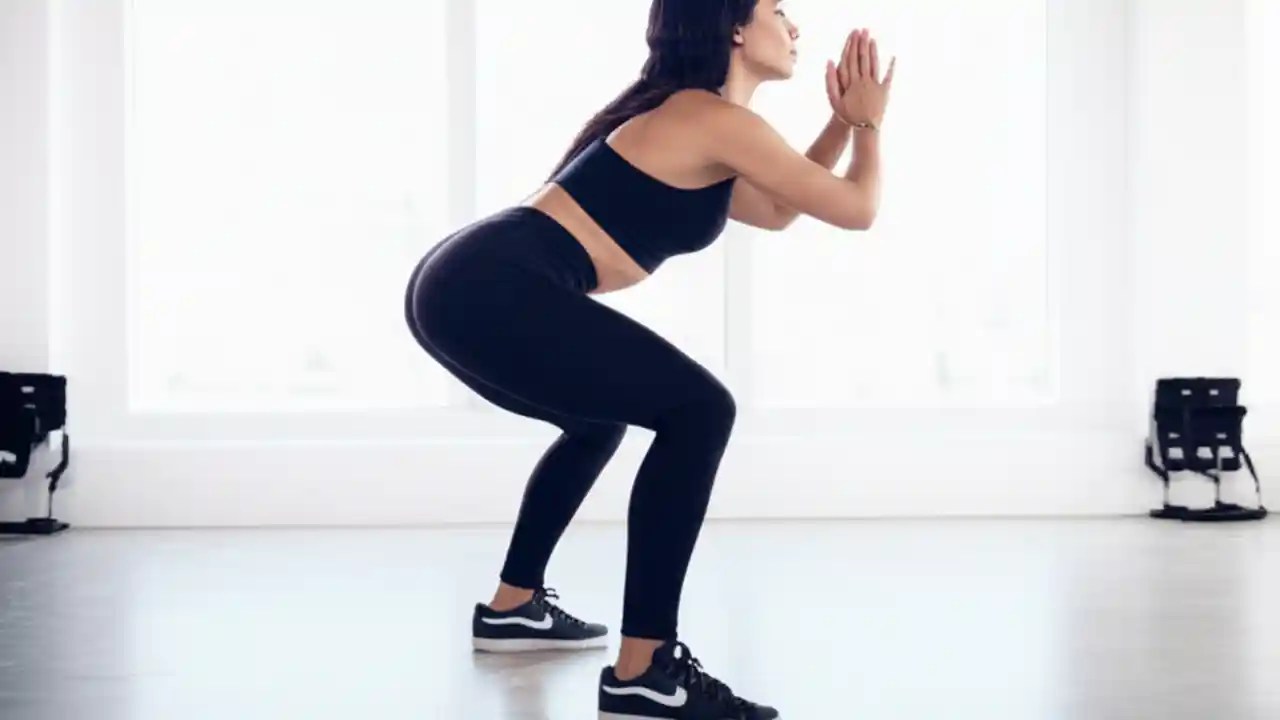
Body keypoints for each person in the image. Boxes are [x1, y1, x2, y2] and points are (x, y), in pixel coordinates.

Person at [403, 0, 894, 717]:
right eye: (778, 10)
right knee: (701, 410)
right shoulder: (710, 118)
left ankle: (515, 608)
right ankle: (644, 671)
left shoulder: (705, 124)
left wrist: (843, 122)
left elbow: (786, 205)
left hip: (464, 282)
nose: (794, 28)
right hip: (490, 284)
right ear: (732, 26)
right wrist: (871, 123)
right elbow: (858, 207)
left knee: (599, 421)